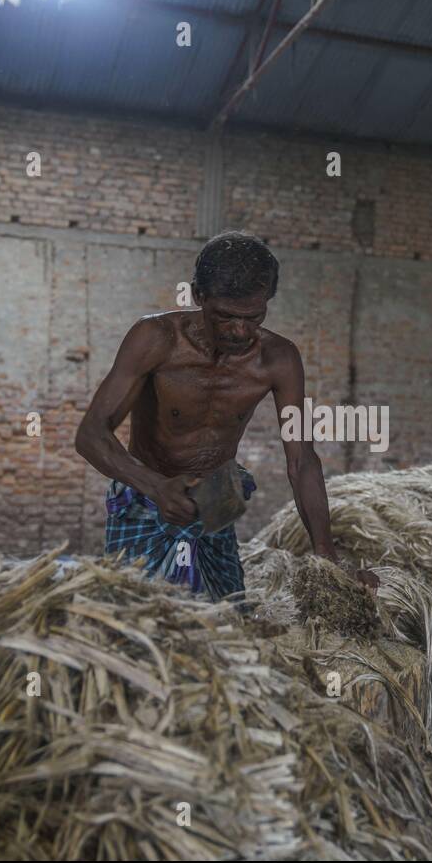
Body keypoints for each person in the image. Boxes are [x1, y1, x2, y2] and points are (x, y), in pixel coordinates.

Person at [74, 230, 376, 600]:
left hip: (217, 497)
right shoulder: (155, 338)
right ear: (199, 295)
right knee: (134, 615)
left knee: (228, 617)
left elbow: (302, 461)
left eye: (254, 317)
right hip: (147, 493)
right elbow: (90, 434)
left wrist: (326, 553)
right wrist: (156, 487)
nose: (240, 331)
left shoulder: (278, 359)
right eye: (225, 316)